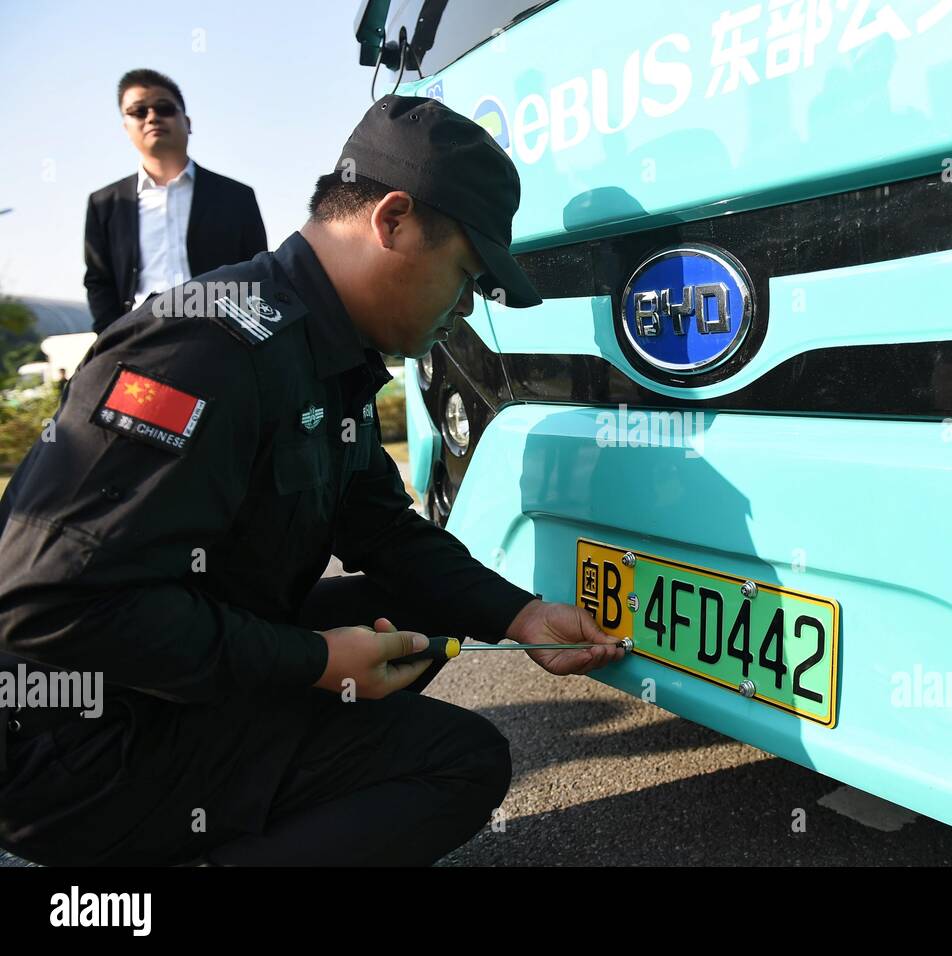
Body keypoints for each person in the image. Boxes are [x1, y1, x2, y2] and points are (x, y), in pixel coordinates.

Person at [0, 94, 624, 867]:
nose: (460, 309)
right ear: (391, 221)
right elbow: (48, 606)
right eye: (463, 277)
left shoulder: (324, 353)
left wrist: (521, 615)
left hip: (161, 682)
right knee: (460, 760)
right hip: (76, 741)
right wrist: (315, 663)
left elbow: (383, 530)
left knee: (419, 612)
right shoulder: (206, 349)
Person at [83, 69, 268, 334]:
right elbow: (98, 281)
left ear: (188, 122)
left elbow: (256, 272)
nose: (152, 117)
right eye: (138, 111)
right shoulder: (105, 204)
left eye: (164, 108)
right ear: (126, 127)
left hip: (221, 339)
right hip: (138, 340)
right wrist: (113, 335)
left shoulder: (236, 197)